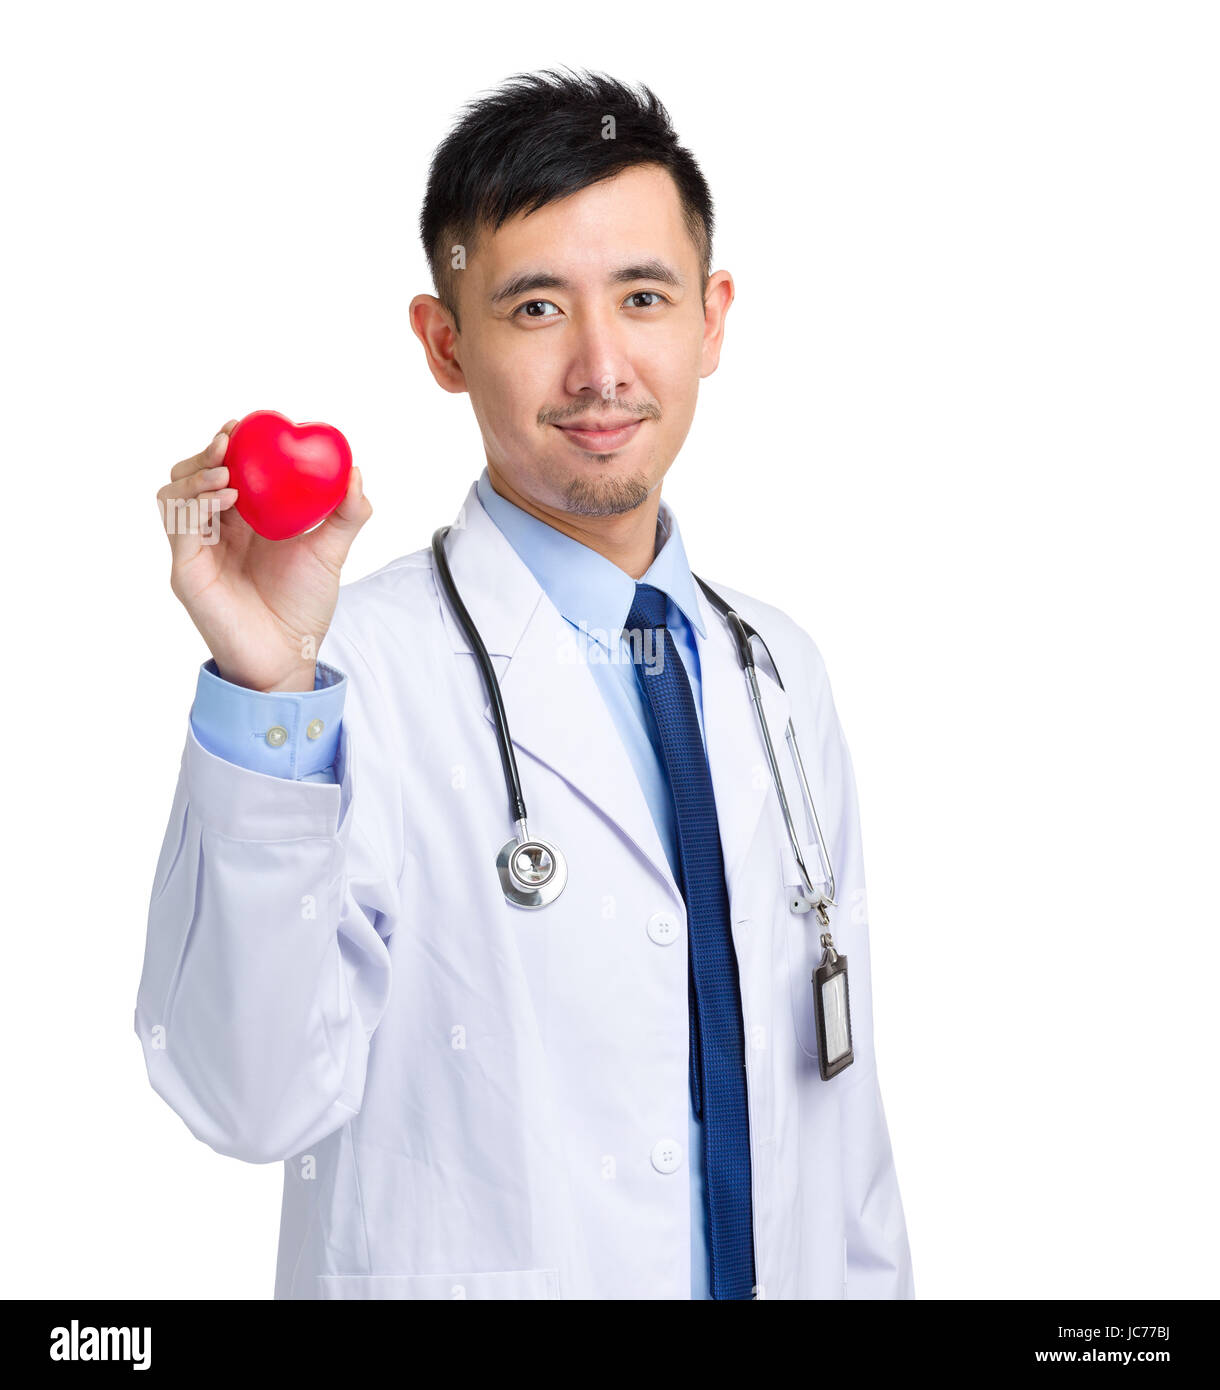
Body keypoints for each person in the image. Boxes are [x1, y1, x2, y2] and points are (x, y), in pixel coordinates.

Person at [137, 67, 914, 1301]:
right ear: (445, 343)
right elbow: (248, 1096)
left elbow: (843, 1145)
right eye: (537, 307)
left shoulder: (777, 673)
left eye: (644, 297)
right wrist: (267, 689)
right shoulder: (345, 678)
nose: (601, 368)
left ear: (711, 321)